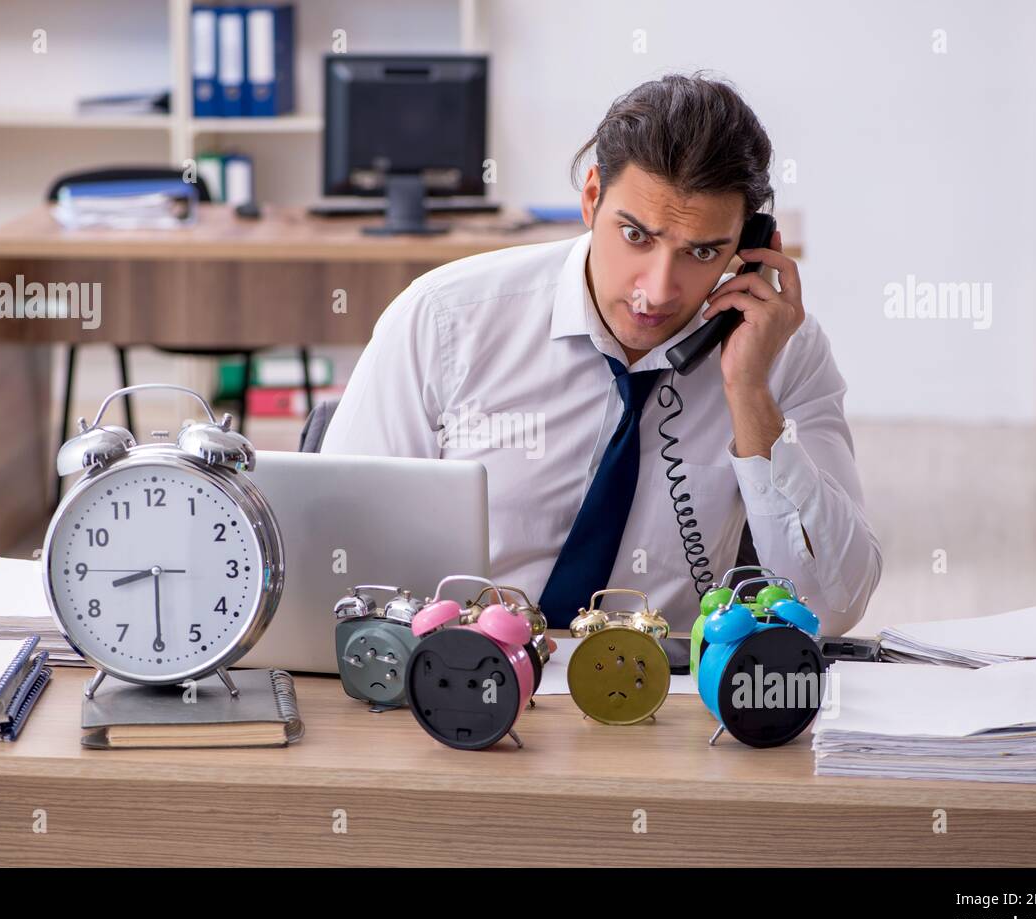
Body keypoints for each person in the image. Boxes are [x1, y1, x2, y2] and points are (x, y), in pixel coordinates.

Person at [321, 71, 881, 633]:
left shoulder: (782, 349)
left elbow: (831, 609)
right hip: (460, 684)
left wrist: (749, 394)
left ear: (750, 246)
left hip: (657, 699)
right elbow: (335, 561)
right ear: (592, 198)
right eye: (637, 236)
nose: (658, 291)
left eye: (703, 252)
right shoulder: (442, 320)